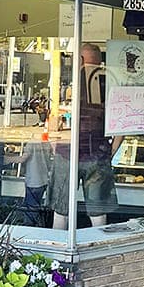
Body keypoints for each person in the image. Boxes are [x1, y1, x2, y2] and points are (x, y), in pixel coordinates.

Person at [47, 43, 120, 229]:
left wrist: (54, 142)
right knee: (98, 211)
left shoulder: (66, 81)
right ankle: (98, 251)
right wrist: (110, 151)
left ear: (79, 60)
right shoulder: (110, 81)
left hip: (67, 150)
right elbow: (121, 122)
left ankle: (58, 251)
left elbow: (53, 118)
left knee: (61, 210)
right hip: (98, 150)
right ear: (101, 60)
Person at [6, 130, 53, 226]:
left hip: (33, 181)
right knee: (36, 205)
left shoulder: (31, 144)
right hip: (43, 180)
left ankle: (30, 227)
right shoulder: (46, 143)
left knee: (30, 208)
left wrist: (7, 159)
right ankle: (37, 224)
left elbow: (23, 158)